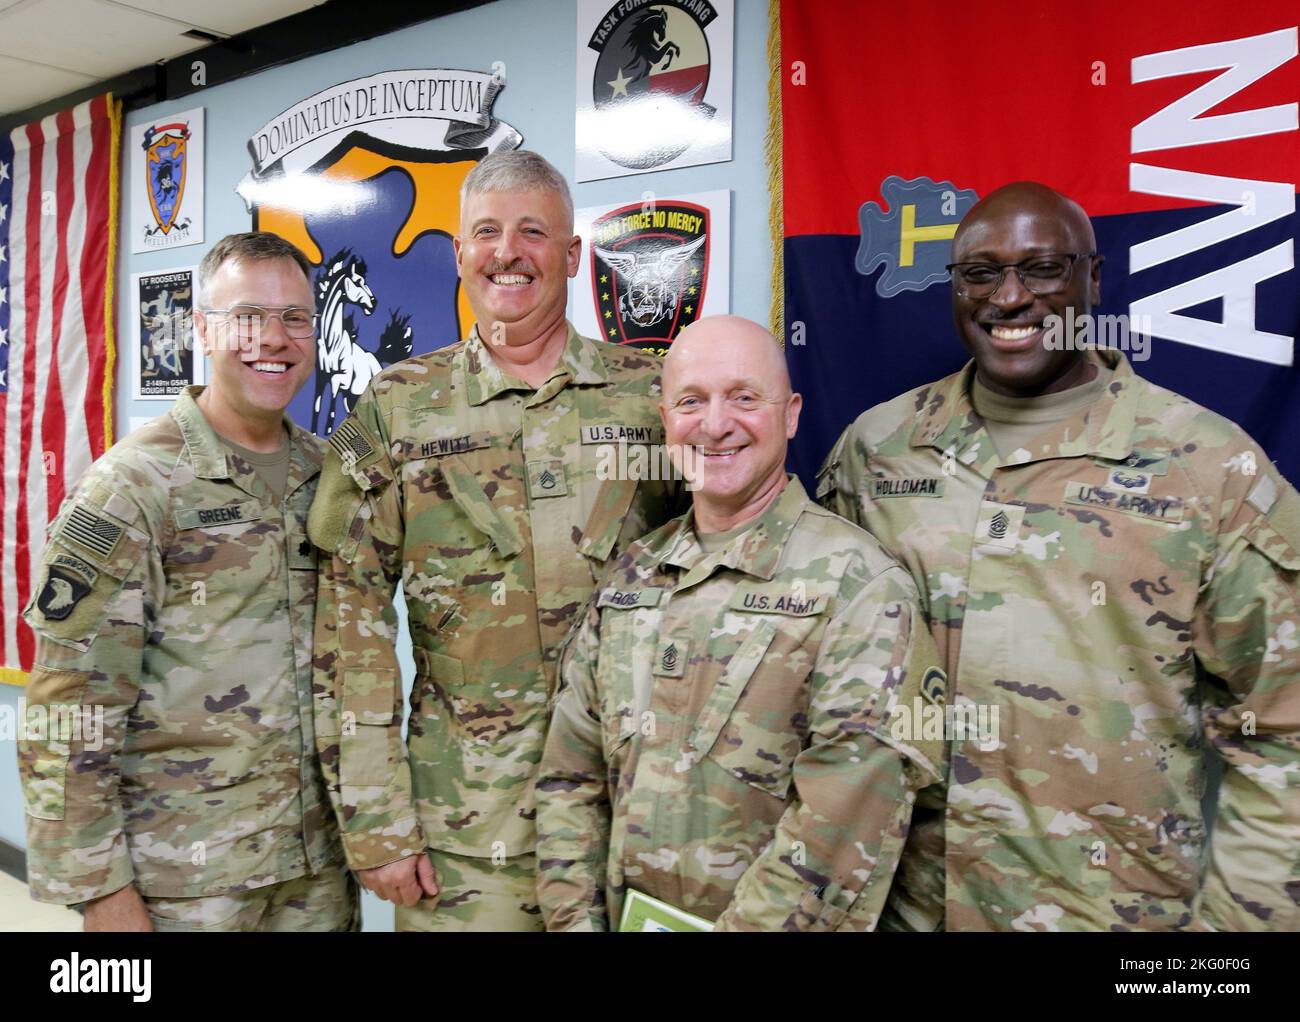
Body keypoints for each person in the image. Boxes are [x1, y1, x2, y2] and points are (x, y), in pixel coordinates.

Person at [818, 182, 1300, 931]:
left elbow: (1283, 735)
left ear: (1092, 280)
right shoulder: (877, 449)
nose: (1009, 297)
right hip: (905, 909)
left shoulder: (1207, 466)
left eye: (1042, 270)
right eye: (980, 273)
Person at [308, 150, 684, 931]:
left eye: (533, 231)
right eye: (486, 231)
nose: (507, 251)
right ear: (459, 253)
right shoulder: (394, 407)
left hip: (637, 812)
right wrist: (376, 817)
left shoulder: (656, 396)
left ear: (574, 255)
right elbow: (351, 615)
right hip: (468, 831)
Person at [534, 315, 946, 931]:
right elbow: (570, 780)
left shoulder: (858, 588)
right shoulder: (632, 579)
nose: (717, 424)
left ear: (791, 414)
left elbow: (841, 828)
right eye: (691, 401)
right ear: (666, 419)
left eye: (745, 398)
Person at [20, 232, 354, 931]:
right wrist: (100, 892)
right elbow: (65, 701)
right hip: (185, 881)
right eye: (246, 315)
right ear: (202, 329)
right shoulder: (132, 486)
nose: (274, 337)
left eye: (295, 316)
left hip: (315, 870)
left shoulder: (324, 475)